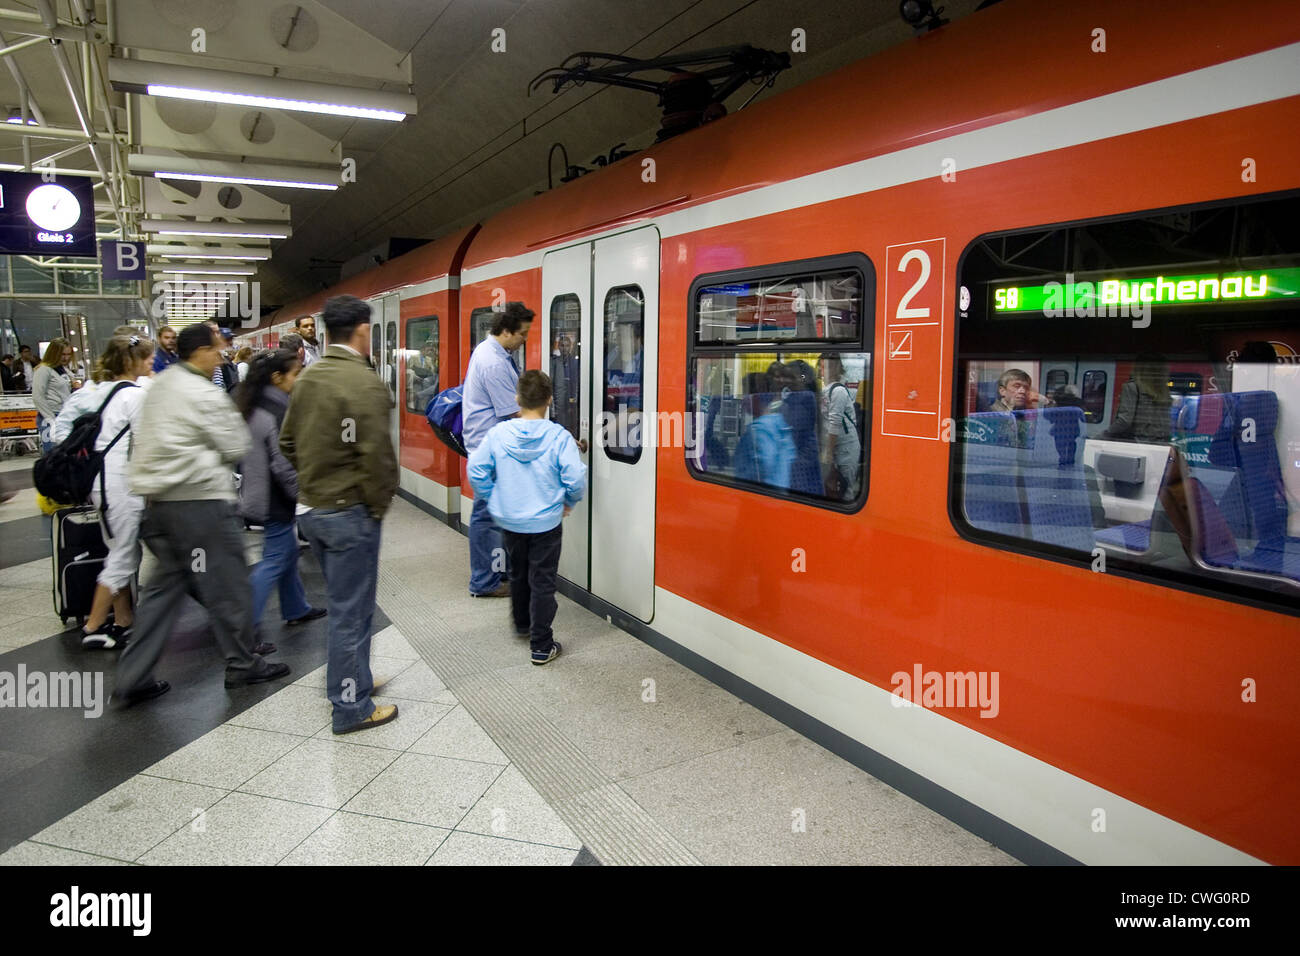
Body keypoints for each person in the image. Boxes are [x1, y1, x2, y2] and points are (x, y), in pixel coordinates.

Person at [113, 323, 289, 707]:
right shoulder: (202, 392)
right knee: (229, 585)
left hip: (159, 506)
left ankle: (132, 675)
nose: (220, 356)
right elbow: (234, 442)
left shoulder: (161, 384)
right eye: (216, 349)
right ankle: (243, 663)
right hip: (201, 505)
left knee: (162, 595)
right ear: (200, 353)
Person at [281, 295, 399, 735]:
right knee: (352, 612)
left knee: (345, 606)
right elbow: (379, 461)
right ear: (363, 330)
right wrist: (376, 505)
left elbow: (287, 443)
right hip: (349, 514)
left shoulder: (308, 378)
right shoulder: (364, 382)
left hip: (311, 511)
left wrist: (316, 479)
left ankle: (357, 680)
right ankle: (350, 706)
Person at [468, 370, 586, 665]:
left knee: (518, 574)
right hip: (546, 522)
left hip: (510, 521)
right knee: (542, 580)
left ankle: (522, 624)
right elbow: (575, 478)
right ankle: (541, 645)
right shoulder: (559, 436)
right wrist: (568, 502)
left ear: (517, 398)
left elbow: (476, 470)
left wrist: (493, 497)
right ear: (549, 400)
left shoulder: (498, 433)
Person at [236, 349, 325, 647]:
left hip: (263, 493)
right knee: (275, 558)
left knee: (284, 554)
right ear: (277, 378)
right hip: (272, 498)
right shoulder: (277, 411)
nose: (299, 380)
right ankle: (243, 630)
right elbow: (283, 463)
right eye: (295, 374)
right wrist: (305, 495)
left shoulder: (256, 404)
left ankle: (295, 607)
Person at [80, 335, 155, 649]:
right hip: (121, 485)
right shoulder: (134, 396)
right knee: (123, 554)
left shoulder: (100, 391)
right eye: (146, 357)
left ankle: (123, 619)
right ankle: (93, 626)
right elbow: (145, 444)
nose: (152, 362)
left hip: (101, 483)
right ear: (129, 361)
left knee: (121, 551)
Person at [462, 301, 532, 597]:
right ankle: (485, 581)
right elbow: (513, 412)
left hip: (489, 446)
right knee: (487, 517)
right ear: (506, 331)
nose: (524, 340)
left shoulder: (492, 353)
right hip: (491, 450)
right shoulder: (493, 362)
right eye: (522, 334)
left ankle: (496, 573)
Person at [820, 353, 861, 501]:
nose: (822, 370)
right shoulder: (824, 391)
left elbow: (834, 423)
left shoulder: (838, 391)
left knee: (844, 487)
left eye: (826, 366)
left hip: (846, 448)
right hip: (834, 446)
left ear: (837, 368)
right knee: (832, 486)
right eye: (822, 366)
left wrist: (828, 453)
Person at [1105, 355, 1172, 443]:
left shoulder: (1132, 387)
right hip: (1160, 445)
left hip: (1137, 445)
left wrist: (1103, 435)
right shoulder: (1163, 392)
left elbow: (1124, 421)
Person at [32, 338, 74, 454]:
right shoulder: (43, 370)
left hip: (64, 416)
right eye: (62, 354)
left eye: (68, 354)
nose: (66, 358)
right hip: (50, 417)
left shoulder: (63, 370)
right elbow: (37, 397)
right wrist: (51, 420)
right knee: (52, 456)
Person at [550, 335, 578, 435]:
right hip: (559, 401)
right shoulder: (554, 362)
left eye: (567, 345)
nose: (564, 348)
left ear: (570, 346)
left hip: (572, 401)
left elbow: (577, 382)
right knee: (559, 426)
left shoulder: (575, 362)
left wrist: (575, 398)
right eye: (562, 345)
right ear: (559, 347)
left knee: (572, 425)